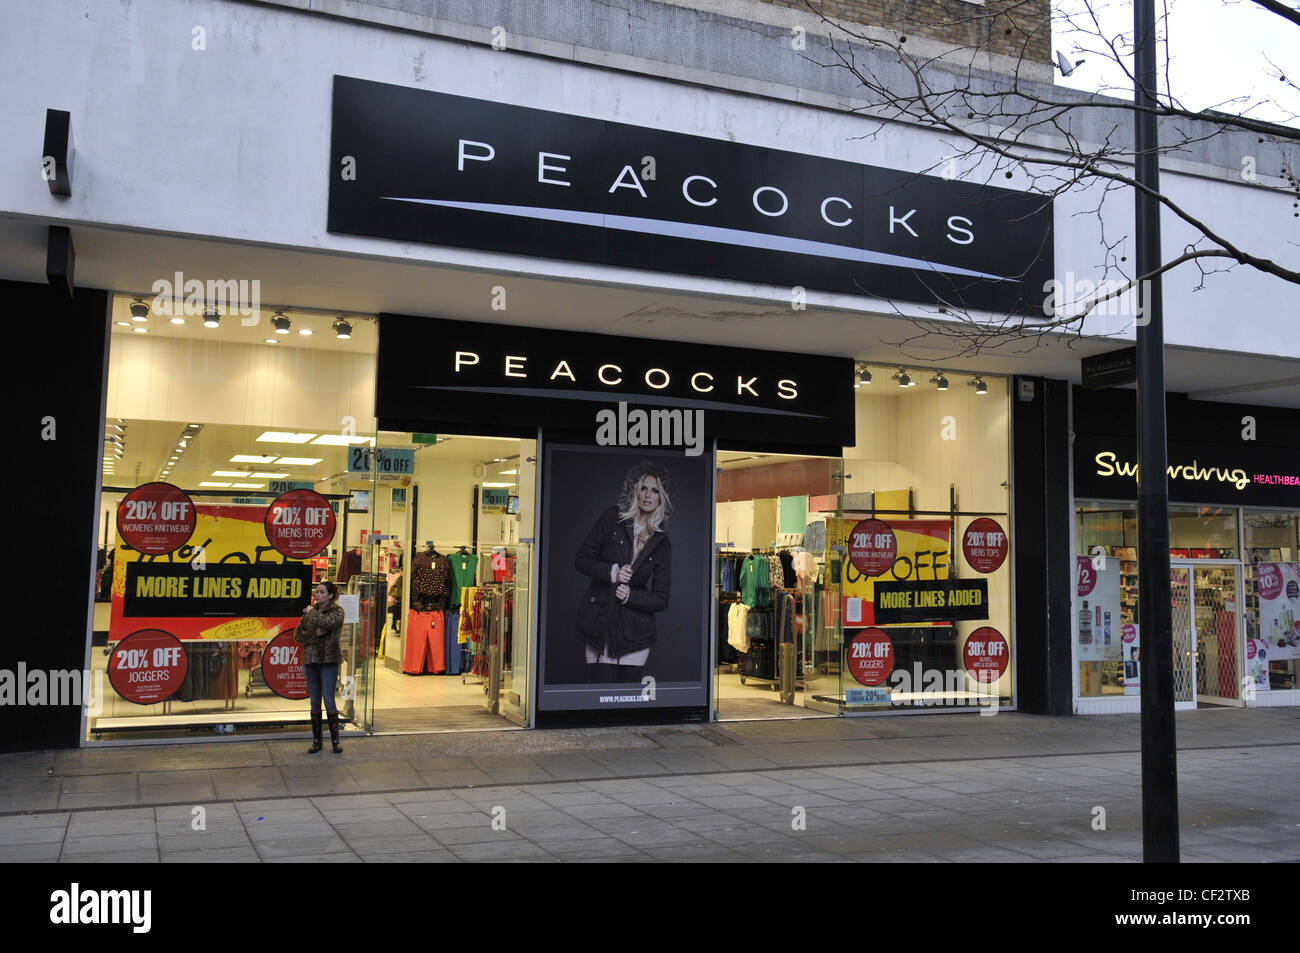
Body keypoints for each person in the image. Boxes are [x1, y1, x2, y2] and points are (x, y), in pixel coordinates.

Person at [574, 461, 673, 682]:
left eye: (655, 490)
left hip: (635, 634)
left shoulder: (662, 543)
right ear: (635, 491)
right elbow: (581, 560)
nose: (648, 495)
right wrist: (612, 573)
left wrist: (631, 596)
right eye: (644, 488)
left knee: (627, 704)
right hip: (599, 625)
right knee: (599, 700)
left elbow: (661, 598)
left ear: (661, 498)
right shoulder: (613, 518)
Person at [295, 580, 346, 753]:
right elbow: (298, 636)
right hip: (310, 661)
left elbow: (328, 624)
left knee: (329, 701)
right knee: (314, 701)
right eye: (317, 592)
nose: (317, 595)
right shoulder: (312, 612)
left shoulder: (337, 611)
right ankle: (317, 741)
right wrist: (316, 635)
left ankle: (335, 741)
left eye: (322, 592)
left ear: (331, 595)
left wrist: (312, 615)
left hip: (328, 660)